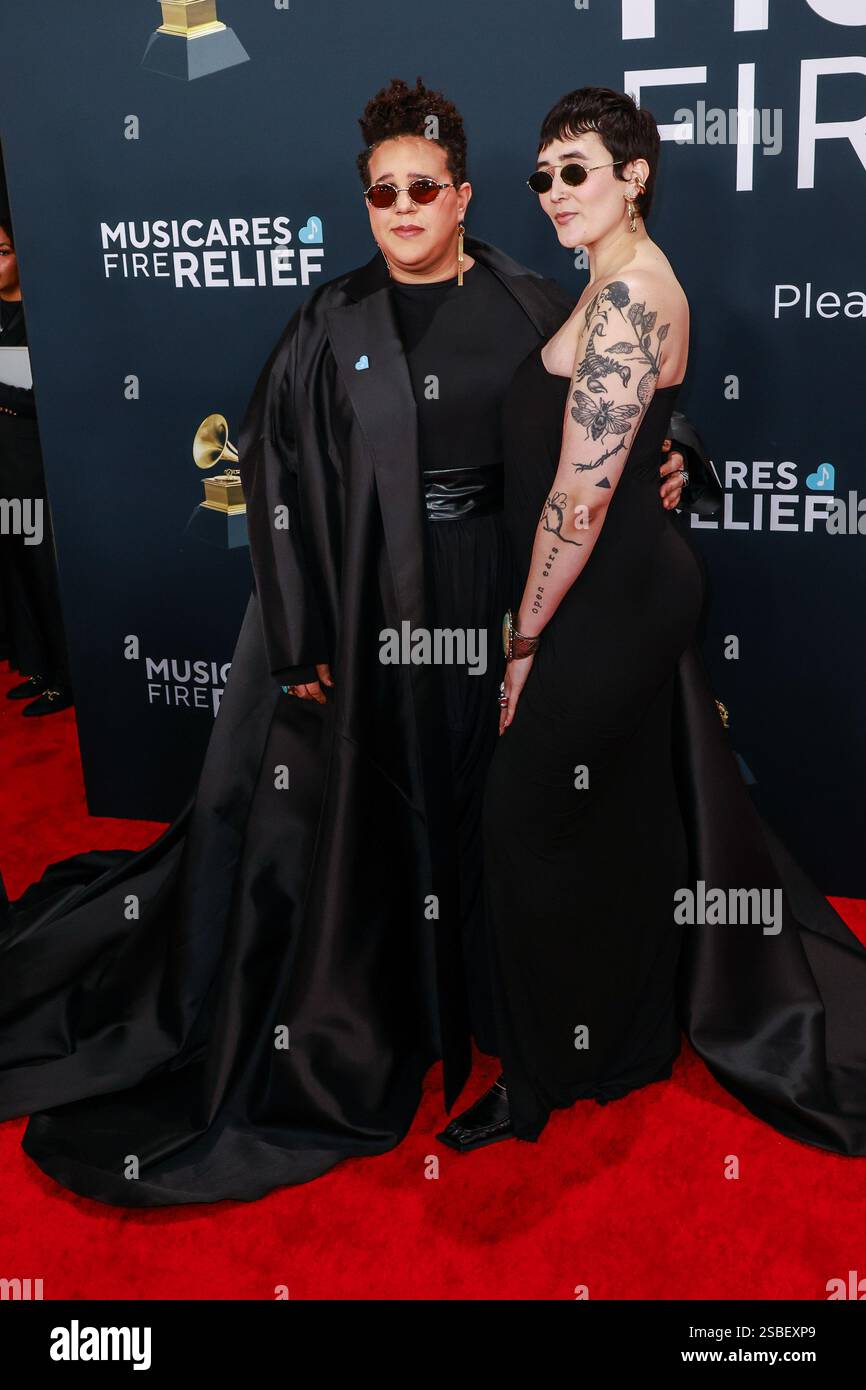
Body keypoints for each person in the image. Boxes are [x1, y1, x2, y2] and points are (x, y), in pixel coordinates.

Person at [0, 80, 708, 1207]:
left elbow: (603, 427)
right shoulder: (325, 326)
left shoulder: (534, 298)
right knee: (399, 813)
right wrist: (299, 636)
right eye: (380, 191)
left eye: (423, 187)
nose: (401, 206)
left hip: (516, 594)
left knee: (506, 806)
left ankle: (505, 1006)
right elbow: (274, 484)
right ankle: (405, 1008)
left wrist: (678, 462)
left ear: (462, 196)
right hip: (382, 612)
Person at [437, 88, 866, 1158]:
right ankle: (617, 1043)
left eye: (574, 170)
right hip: (620, 580)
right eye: (540, 175)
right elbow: (625, 451)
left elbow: (575, 503)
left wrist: (524, 639)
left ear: (634, 174)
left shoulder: (632, 299)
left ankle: (534, 1078)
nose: (552, 193)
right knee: (620, 814)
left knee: (522, 815)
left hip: (604, 595)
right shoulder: (605, 287)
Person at [0, 206, 74, 715]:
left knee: (48, 578)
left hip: (35, 474)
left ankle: (66, 679)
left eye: (2, 252)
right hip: (4, 474)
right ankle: (40, 668)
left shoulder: (40, 318)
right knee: (18, 576)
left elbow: (41, 399)